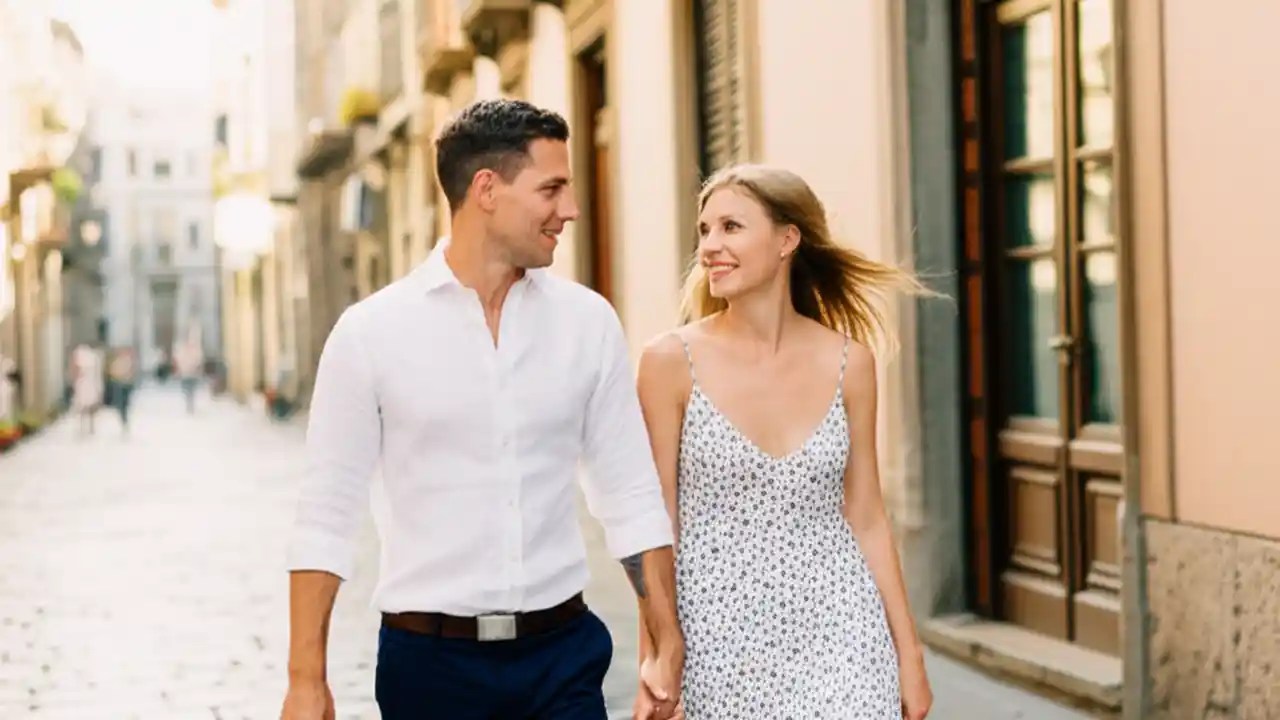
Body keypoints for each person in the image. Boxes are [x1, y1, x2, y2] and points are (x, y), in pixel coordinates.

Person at [280, 99, 685, 720]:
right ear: (487, 190)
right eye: (551, 188)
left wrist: (663, 641)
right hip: (431, 670)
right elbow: (325, 515)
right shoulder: (370, 334)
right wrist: (307, 679)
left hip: (563, 659)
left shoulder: (588, 323)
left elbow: (630, 496)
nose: (570, 210)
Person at [634, 164, 934, 719]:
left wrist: (908, 655)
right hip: (716, 640)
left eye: (730, 227)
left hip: (843, 631)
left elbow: (866, 516)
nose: (710, 247)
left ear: (787, 240)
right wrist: (654, 659)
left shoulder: (851, 362)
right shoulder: (669, 362)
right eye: (704, 230)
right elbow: (657, 524)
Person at [69, 343, 104, 436]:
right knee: (87, 406)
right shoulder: (94, 357)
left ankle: (84, 427)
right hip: (87, 384)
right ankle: (88, 427)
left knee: (83, 406)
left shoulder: (84, 357)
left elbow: (75, 370)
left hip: (85, 383)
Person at [107, 347, 137, 436]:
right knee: (120, 404)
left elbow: (131, 373)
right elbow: (112, 372)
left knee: (124, 404)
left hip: (125, 385)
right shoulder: (116, 362)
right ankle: (123, 418)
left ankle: (124, 419)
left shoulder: (128, 361)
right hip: (118, 384)